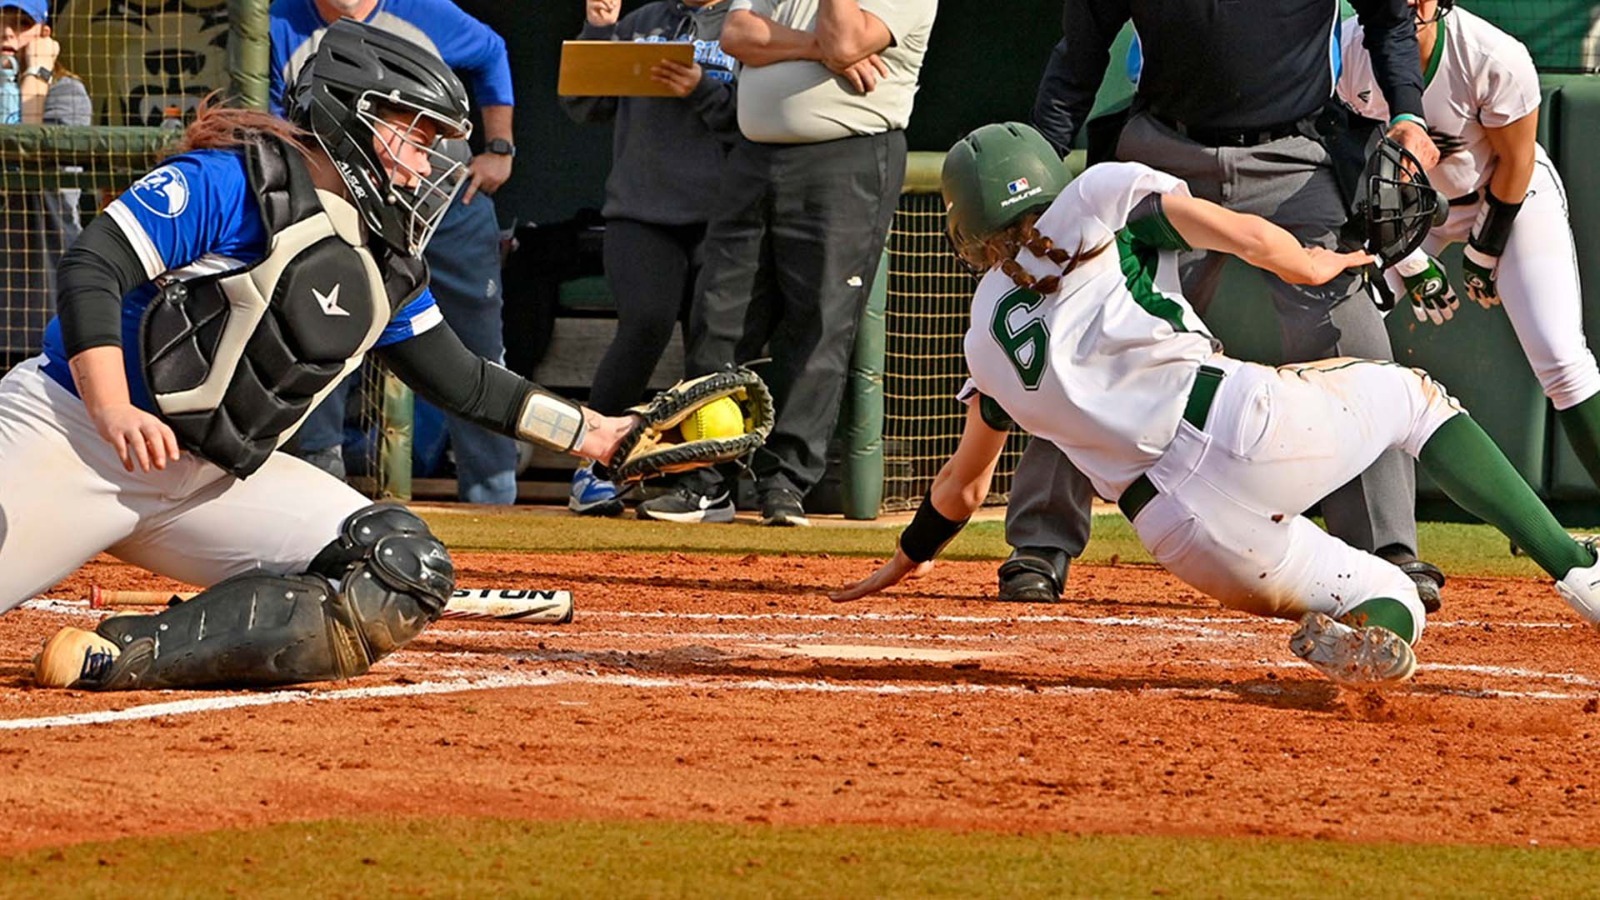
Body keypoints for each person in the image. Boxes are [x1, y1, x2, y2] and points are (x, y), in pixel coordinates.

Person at [832, 122, 1600, 687]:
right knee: (1412, 397)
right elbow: (1247, 238)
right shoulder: (1097, 195)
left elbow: (962, 489)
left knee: (1388, 594)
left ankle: (1365, 651)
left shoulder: (983, 343)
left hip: (1182, 535)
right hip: (1234, 420)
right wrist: (1316, 262)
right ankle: (1578, 570)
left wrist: (903, 560)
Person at [10, 21, 644, 692]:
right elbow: (92, 264)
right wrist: (110, 407)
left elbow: (461, 379)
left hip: (207, 483)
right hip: (70, 437)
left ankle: (127, 654)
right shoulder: (236, 179)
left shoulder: (383, 261)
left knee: (401, 566)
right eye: (417, 136)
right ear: (354, 112)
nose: (425, 165)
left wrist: (597, 436)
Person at [1000, 0, 1446, 608]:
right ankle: (1040, 542)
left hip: (1294, 156)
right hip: (1162, 155)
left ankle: (1386, 550)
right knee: (1092, 333)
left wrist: (1409, 114)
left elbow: (1389, 19)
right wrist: (1043, 185)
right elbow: (1078, 59)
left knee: (1352, 334)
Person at [635, 0, 937, 526]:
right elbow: (736, 34)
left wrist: (816, 47)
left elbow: (844, 41)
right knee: (719, 314)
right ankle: (705, 481)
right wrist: (816, 48)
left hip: (848, 158)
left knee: (818, 324)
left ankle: (785, 481)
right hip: (755, 158)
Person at [1342, 0, 1600, 494]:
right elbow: (1347, 168)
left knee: (1561, 357)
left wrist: (1484, 250)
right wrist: (1409, 260)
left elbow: (1517, 160)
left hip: (1504, 198)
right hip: (1402, 214)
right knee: (1336, 327)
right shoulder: (1346, 52)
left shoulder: (1491, 54)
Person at [269, 0, 521, 504]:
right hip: (344, 206)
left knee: (476, 345)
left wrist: (499, 148)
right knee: (318, 333)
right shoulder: (279, 21)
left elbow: (492, 52)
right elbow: (278, 124)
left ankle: (493, 496)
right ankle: (318, 493)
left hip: (443, 199)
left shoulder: (421, 10)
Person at [558, 0, 740, 517]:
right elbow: (584, 105)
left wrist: (701, 88)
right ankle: (595, 467)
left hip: (723, 214)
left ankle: (707, 482)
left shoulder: (750, 21)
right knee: (643, 325)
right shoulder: (643, 23)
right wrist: (597, 29)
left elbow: (752, 120)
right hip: (641, 210)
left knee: (713, 344)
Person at [1, 0, 92, 372]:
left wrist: (36, 74)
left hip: (38, 306)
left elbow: (33, 159)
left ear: (43, 33)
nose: (7, 31)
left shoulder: (66, 91)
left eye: (20, 22)